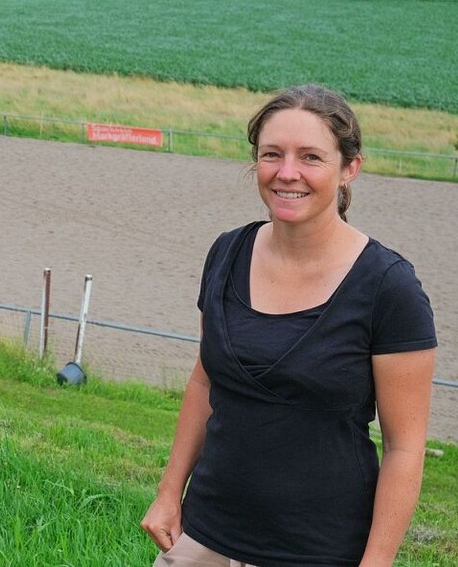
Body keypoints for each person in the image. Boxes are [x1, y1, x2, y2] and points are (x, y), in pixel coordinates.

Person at [140, 84, 436, 566]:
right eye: (271, 154)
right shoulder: (226, 252)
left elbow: (405, 447)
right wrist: (170, 490)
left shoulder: (388, 287)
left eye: (311, 157)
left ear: (350, 169)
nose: (287, 173)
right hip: (204, 533)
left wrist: (376, 563)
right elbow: (203, 380)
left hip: (316, 550)